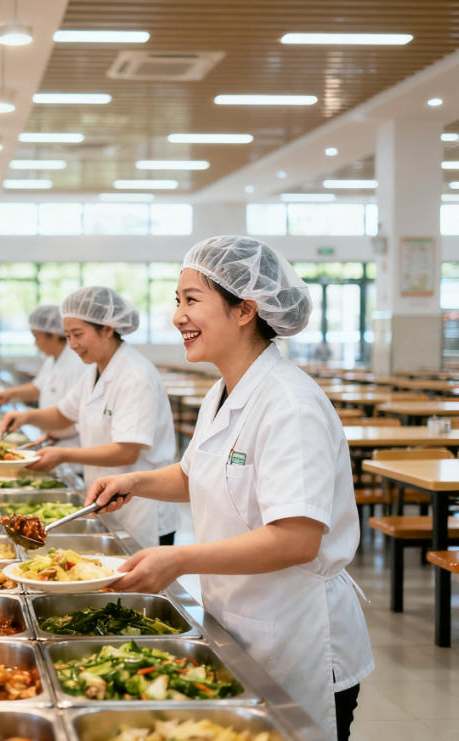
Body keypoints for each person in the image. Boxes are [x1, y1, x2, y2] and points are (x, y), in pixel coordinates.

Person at [87, 236, 373, 740]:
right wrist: (135, 480)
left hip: (297, 630)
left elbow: (295, 538)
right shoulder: (223, 391)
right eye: (178, 301)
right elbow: (196, 474)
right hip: (242, 619)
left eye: (192, 299)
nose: (178, 315)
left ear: (245, 310)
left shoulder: (290, 405)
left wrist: (177, 559)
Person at [0, 286, 176, 548]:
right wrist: (26, 417)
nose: (72, 345)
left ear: (107, 329)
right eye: (68, 335)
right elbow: (63, 415)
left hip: (142, 508)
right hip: (108, 497)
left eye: (78, 334)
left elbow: (127, 452)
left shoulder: (135, 376)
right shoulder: (95, 370)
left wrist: (63, 454)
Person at [0, 304, 88, 448]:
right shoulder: (52, 360)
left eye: (36, 336)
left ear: (53, 334)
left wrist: (27, 417)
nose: (35, 343)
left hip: (70, 445)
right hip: (51, 440)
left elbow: (72, 414)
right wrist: (10, 393)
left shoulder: (77, 363)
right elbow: (39, 388)